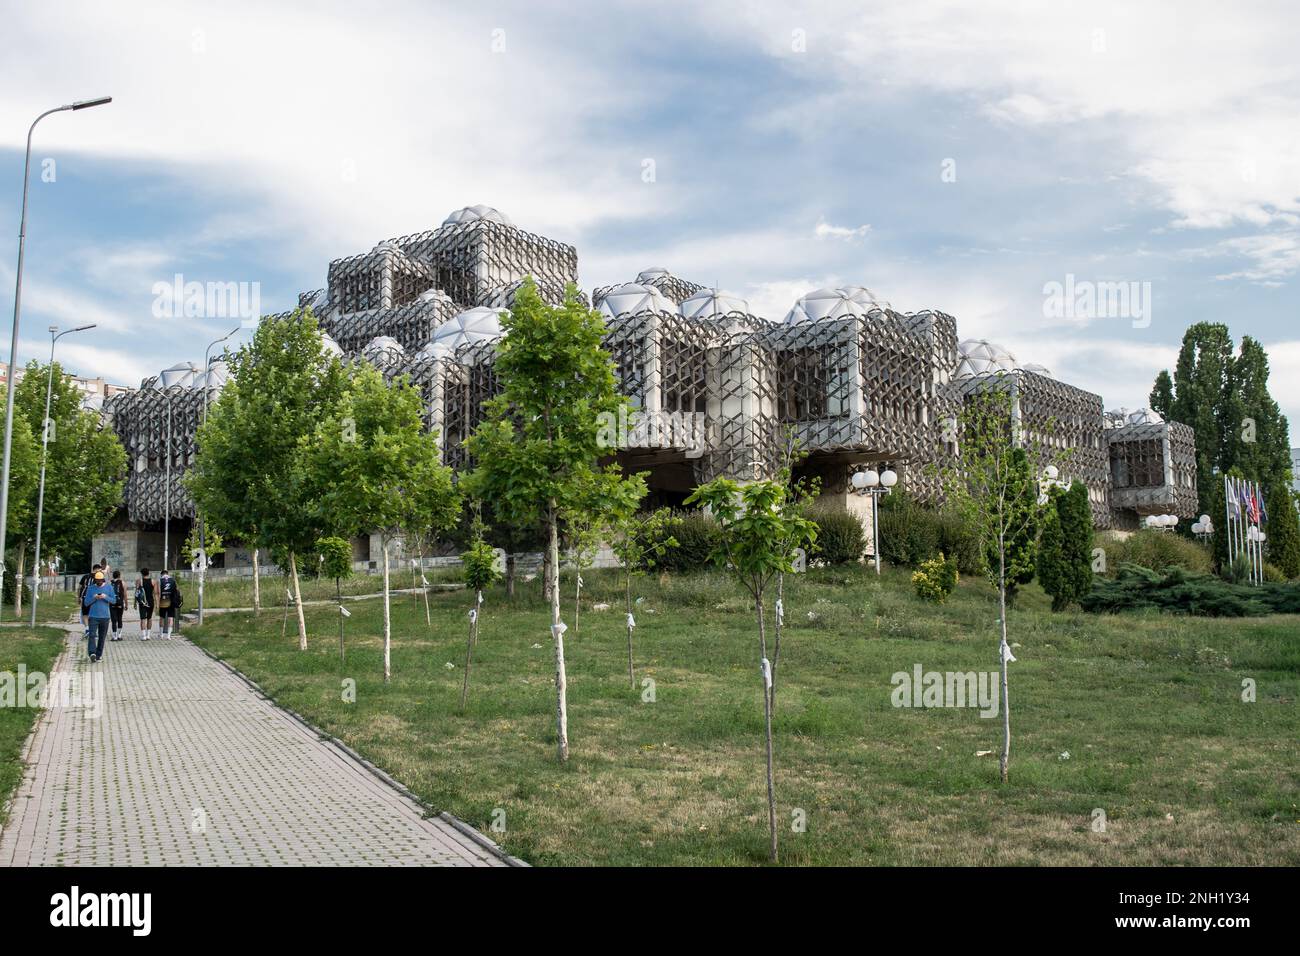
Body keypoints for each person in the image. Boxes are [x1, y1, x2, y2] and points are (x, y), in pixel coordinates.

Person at [82, 570, 114, 662]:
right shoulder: (91, 588)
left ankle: (98, 655)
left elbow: (114, 600)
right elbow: (86, 603)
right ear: (95, 580)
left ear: (103, 580)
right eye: (97, 580)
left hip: (105, 617)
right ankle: (92, 653)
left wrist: (105, 597)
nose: (98, 582)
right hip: (93, 616)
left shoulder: (109, 588)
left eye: (100, 580)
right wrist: (94, 598)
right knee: (92, 635)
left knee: (102, 637)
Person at [77, 563, 102, 639]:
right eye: (100, 570)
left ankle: (87, 629)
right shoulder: (98, 577)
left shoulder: (85, 576)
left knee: (85, 614)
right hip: (93, 598)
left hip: (84, 597)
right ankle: (94, 633)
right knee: (94, 615)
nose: (100, 572)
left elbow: (79, 587)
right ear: (97, 569)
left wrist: (78, 597)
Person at [157, 569, 182, 639]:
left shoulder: (160, 580)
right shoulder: (173, 580)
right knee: (170, 618)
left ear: (161, 574)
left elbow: (158, 592)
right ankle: (168, 635)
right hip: (171, 601)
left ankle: (161, 635)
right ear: (167, 574)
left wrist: (157, 602)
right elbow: (177, 590)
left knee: (162, 617)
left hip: (163, 601)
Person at [135, 568, 155, 641]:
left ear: (141, 574)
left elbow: (136, 593)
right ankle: (148, 635)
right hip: (150, 601)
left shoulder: (139, 581)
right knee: (149, 618)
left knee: (143, 618)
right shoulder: (153, 581)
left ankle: (143, 636)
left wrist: (135, 603)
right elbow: (155, 593)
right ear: (148, 573)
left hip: (142, 602)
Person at [109, 569, 126, 641]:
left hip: (112, 603)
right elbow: (125, 594)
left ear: (113, 576)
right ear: (119, 576)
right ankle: (119, 635)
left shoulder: (110, 583)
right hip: (120, 603)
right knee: (119, 619)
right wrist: (126, 604)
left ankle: (114, 636)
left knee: (113, 620)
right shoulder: (123, 583)